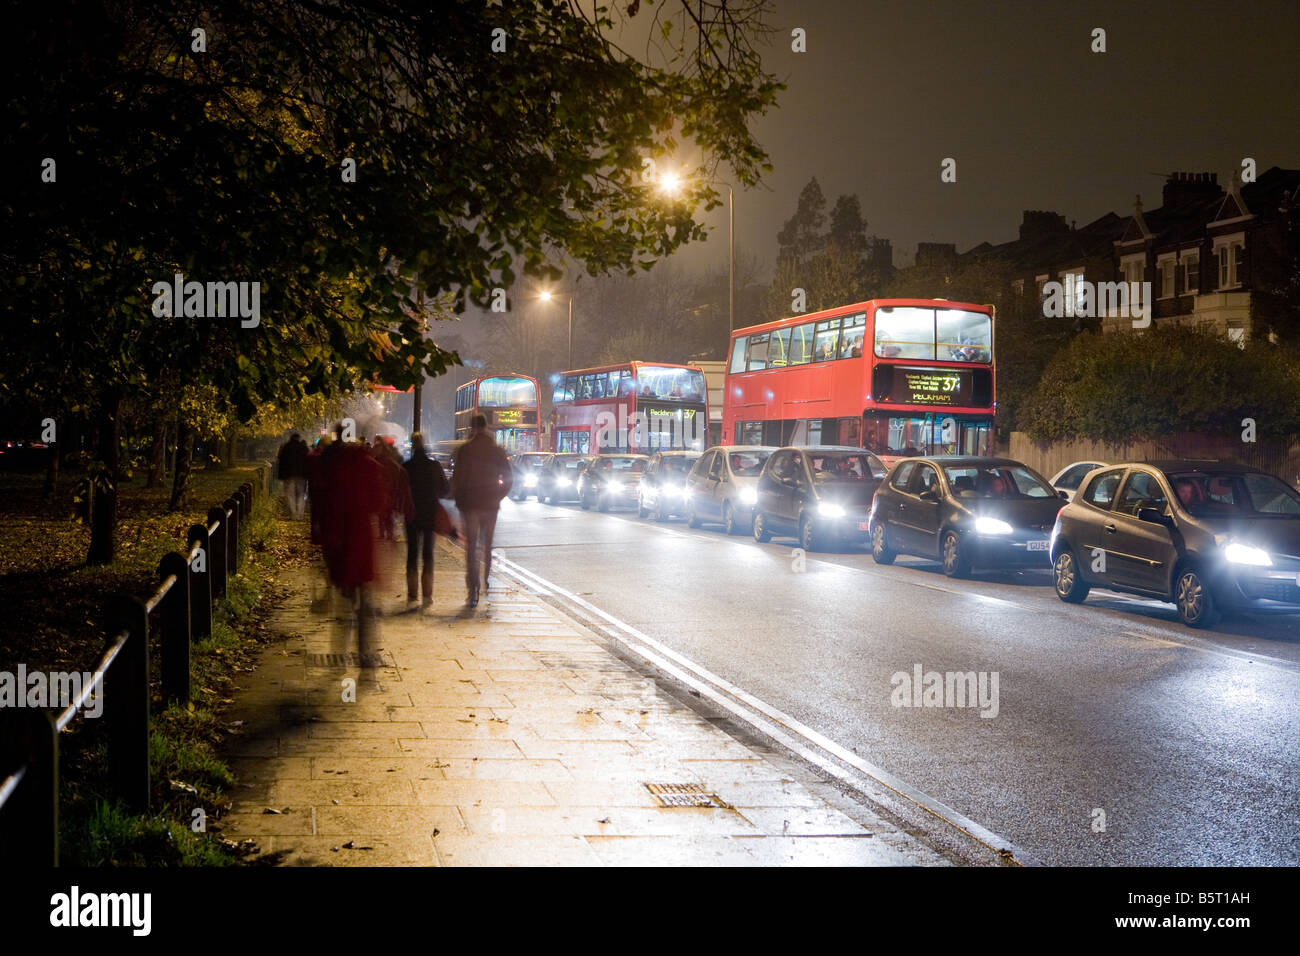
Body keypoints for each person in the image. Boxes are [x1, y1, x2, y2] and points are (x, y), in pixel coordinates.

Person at [451, 414, 513, 607]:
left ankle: (473, 589)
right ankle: (486, 581)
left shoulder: (465, 450)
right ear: (486, 427)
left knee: (472, 548)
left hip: (470, 505)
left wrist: (459, 500)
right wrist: (498, 495)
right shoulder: (497, 451)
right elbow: (509, 478)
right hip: (490, 504)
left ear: (471, 427)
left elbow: (457, 479)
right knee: (487, 545)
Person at [402, 434, 448, 608]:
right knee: (428, 554)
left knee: (412, 554)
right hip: (429, 514)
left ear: (412, 446)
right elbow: (445, 489)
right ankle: (427, 595)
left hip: (412, 515)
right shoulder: (434, 466)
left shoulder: (406, 467)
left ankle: (412, 594)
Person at [277, 432, 309, 519]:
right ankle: (300, 514)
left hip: (288, 475)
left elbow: (281, 462)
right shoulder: (303, 448)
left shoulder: (286, 447)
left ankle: (293, 513)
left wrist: (281, 476)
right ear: (298, 438)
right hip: (301, 475)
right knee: (301, 494)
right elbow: (307, 462)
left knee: (290, 495)